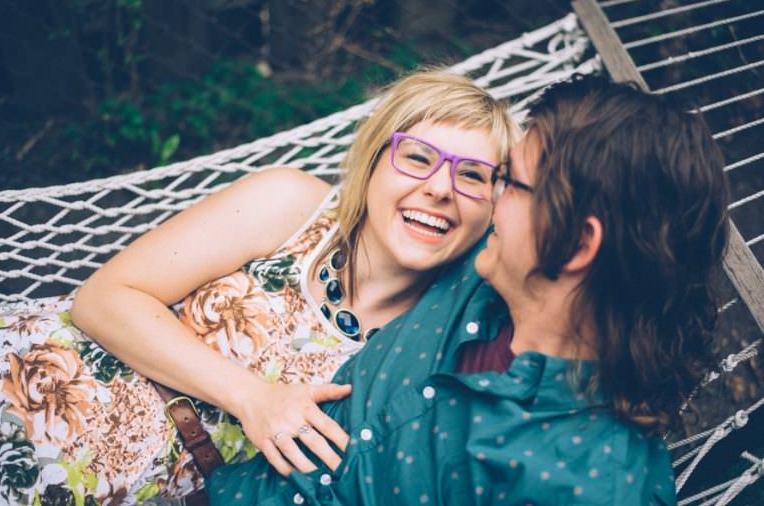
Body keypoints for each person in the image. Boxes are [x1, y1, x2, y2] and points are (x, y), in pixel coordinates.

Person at [0, 70, 520, 505]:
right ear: (374, 159)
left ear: (496, 206)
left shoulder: (423, 346)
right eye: (418, 157)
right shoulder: (292, 207)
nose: (439, 188)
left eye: (472, 176)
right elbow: (103, 299)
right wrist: (252, 398)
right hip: (20, 390)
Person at [206, 73, 730, 505]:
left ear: (573, 245)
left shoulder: (594, 485)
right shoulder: (474, 275)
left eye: (511, 184)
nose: (488, 202)